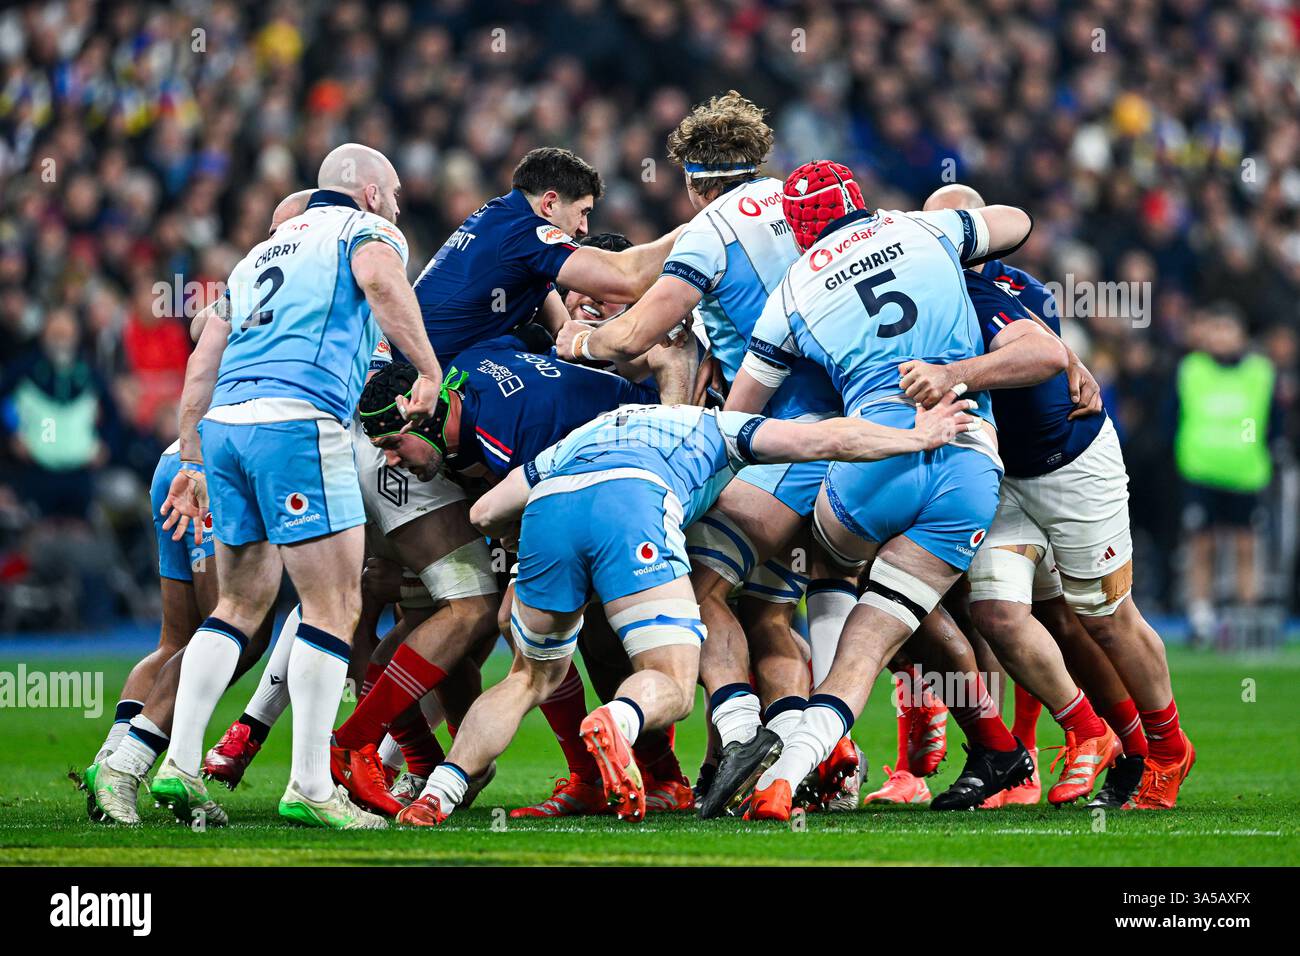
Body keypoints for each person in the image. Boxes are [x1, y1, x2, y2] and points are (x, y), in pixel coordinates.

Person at [393, 393, 980, 827]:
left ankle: (438, 793)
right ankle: (618, 721)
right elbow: (823, 441)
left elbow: (484, 514)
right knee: (671, 683)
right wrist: (917, 437)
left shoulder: (587, 427)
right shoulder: (715, 426)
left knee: (527, 677)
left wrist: (542, 552)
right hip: (637, 502)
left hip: (550, 504)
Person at [554, 92, 854, 817]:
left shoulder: (709, 233)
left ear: (692, 182)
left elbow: (632, 336)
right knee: (771, 613)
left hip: (779, 443)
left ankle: (741, 733)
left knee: (702, 591)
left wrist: (579, 342)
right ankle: (803, 760)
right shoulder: (809, 203)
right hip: (860, 434)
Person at [726, 159, 1038, 819]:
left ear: (797, 227)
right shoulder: (921, 230)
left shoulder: (792, 289)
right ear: (860, 201)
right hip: (968, 462)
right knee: (887, 626)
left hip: (870, 472)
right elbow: (1017, 222)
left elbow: (741, 415)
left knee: (821, 571)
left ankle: (813, 761)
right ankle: (990, 747)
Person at [156, 143, 443, 830]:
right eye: (395, 191)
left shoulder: (259, 254)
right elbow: (379, 279)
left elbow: (203, 360)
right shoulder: (369, 231)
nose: (399, 204)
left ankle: (180, 765)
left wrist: (192, 460)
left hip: (226, 427)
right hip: (298, 422)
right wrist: (426, 369)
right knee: (334, 603)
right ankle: (312, 786)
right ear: (370, 192)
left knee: (240, 602)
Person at [925, 184, 1196, 810]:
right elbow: (1051, 344)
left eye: (950, 229)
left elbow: (1040, 353)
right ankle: (1089, 733)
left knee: (1102, 618)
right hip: (1002, 474)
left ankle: (1166, 749)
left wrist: (956, 374)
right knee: (997, 615)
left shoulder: (981, 289)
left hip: (1071, 463)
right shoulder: (994, 284)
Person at [85, 189, 313, 825]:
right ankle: (137, 764)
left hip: (185, 458)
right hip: (219, 466)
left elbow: (198, 332)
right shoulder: (310, 283)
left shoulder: (249, 281)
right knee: (237, 626)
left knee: (179, 638)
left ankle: (111, 758)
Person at [1178, 304, 1277, 642]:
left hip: (1246, 473)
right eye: (1215, 329)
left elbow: (1274, 421)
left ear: (1241, 335)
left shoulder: (1260, 372)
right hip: (1201, 470)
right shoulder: (1191, 369)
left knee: (1245, 546)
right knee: (1201, 545)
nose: (1221, 336)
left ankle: (1245, 619)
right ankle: (1201, 618)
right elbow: (1172, 418)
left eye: (1228, 329)